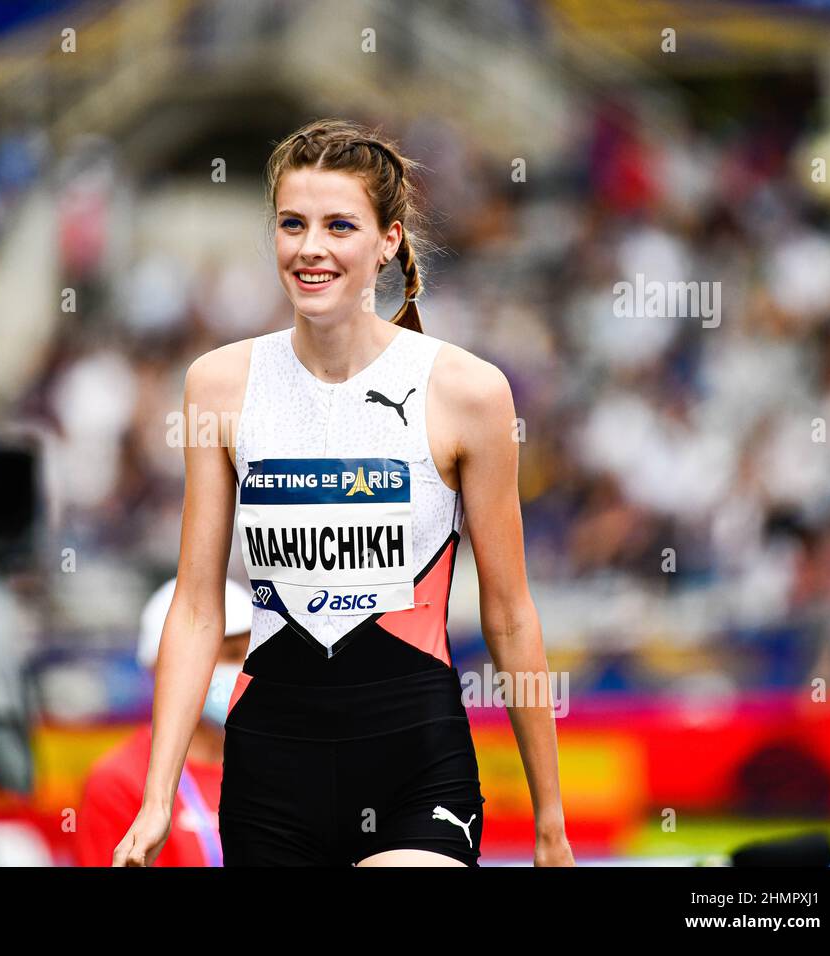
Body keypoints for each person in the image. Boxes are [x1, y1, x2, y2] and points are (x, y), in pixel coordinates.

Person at [114, 118, 573, 867]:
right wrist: (158, 793)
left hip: (414, 761)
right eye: (292, 224)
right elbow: (197, 603)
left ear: (388, 240)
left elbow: (511, 612)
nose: (310, 247)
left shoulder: (468, 392)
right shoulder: (219, 385)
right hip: (271, 768)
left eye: (339, 225)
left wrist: (549, 818)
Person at [74, 577, 251, 866]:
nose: (241, 669)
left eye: (249, 655)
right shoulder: (119, 782)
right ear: (163, 668)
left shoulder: (273, 765)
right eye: (230, 654)